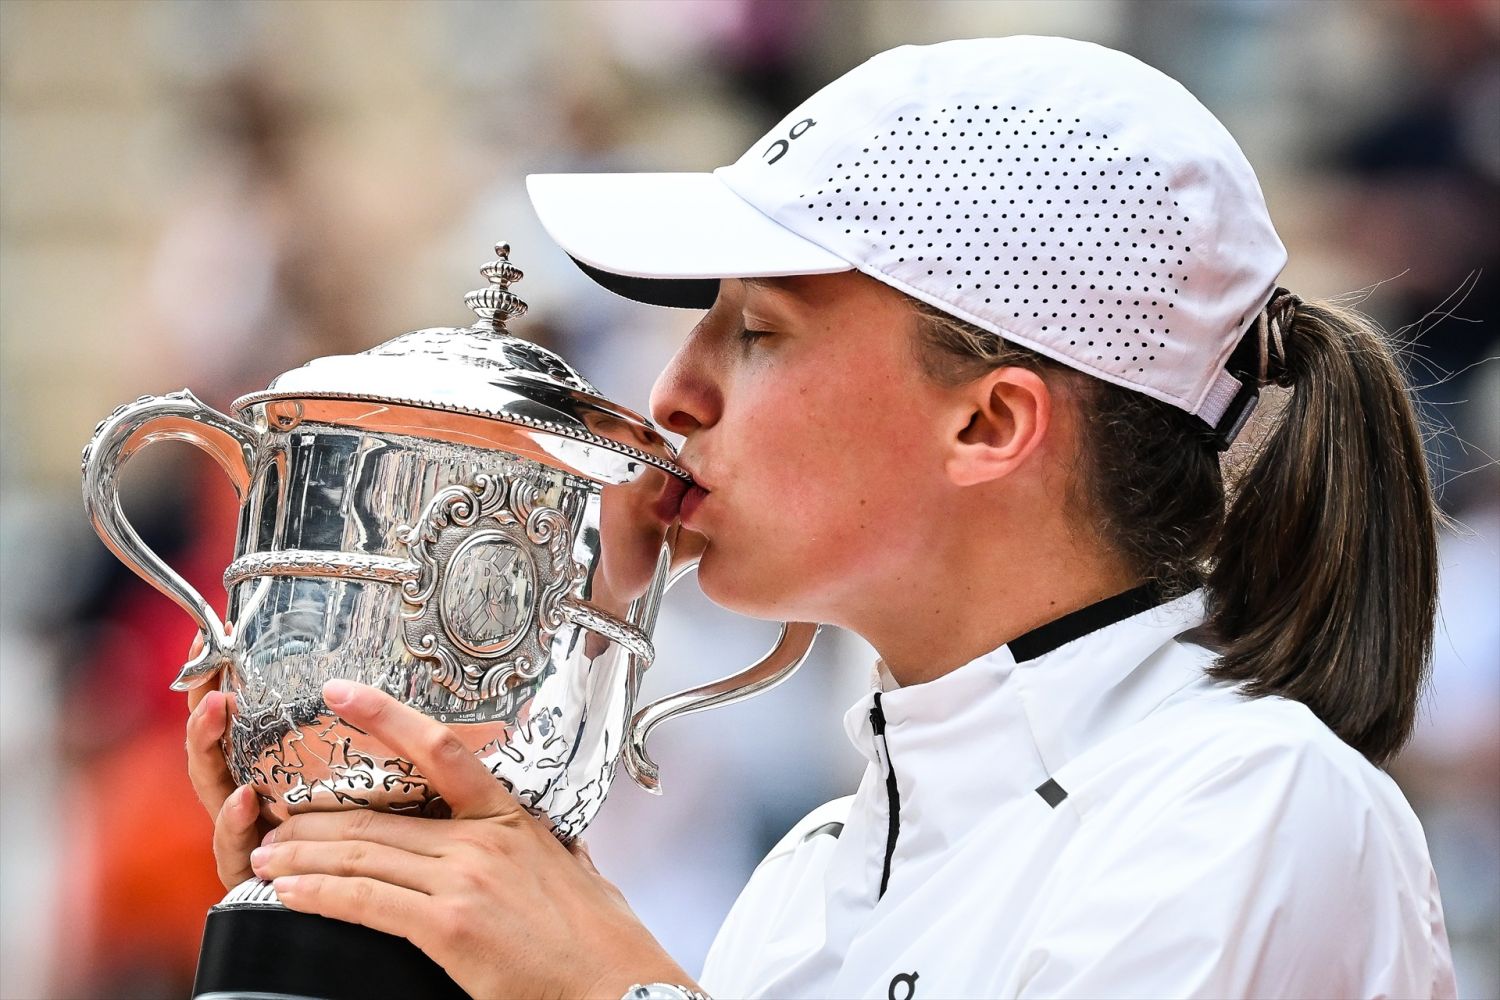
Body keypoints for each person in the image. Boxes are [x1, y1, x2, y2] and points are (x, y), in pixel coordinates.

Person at [185, 36, 1457, 999]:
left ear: (990, 423)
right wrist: (363, 902)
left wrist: (617, 987)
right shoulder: (815, 869)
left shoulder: (1254, 806)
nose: (674, 395)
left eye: (756, 332)